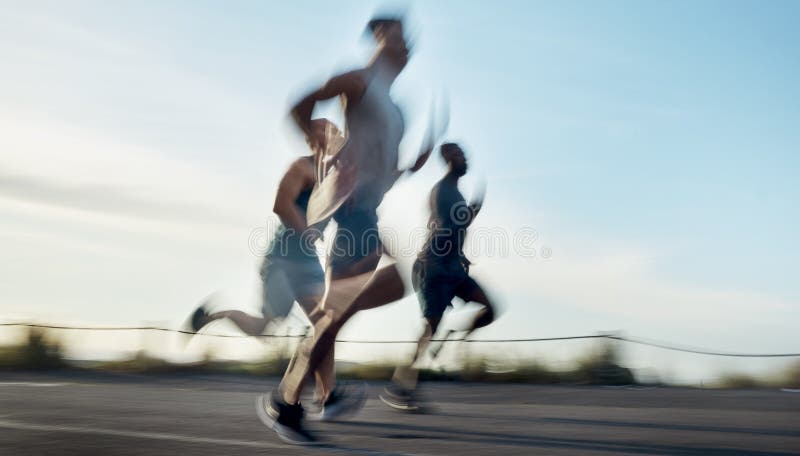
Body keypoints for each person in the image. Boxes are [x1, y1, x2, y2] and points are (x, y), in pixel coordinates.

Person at [256, 16, 435, 445]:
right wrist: (318, 143)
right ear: (377, 39)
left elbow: (381, 175)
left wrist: (409, 167)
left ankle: (291, 395)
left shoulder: (397, 111)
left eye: (408, 40)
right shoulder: (359, 81)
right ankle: (288, 401)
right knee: (349, 306)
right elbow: (301, 106)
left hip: (368, 212)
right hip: (353, 215)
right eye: (395, 36)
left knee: (361, 301)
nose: (405, 45)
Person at [187, 119, 357, 415]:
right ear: (311, 139)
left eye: (335, 130)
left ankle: (328, 396)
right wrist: (307, 231)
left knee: (324, 324)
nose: (332, 134)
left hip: (309, 263)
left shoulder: (336, 178)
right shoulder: (301, 168)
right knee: (263, 329)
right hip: (282, 260)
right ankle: (213, 315)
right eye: (324, 129)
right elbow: (281, 205)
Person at [380, 142, 496, 411]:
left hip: (453, 267)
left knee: (490, 309)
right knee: (429, 330)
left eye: (464, 154)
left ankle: (456, 337)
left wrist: (460, 252)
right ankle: (401, 388)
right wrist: (471, 212)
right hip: (432, 268)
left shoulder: (456, 193)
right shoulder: (442, 191)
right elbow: (446, 227)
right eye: (458, 154)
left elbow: (450, 228)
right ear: (446, 157)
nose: (464, 158)